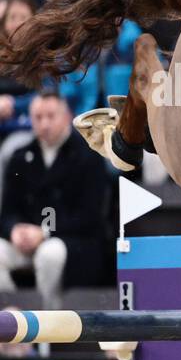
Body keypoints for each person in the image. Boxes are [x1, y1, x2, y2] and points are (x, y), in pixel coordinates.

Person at [0, 91, 113, 305]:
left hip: (74, 244)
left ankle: (47, 329)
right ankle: (13, 319)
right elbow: (7, 212)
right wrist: (15, 230)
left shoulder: (89, 157)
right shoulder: (20, 158)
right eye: (38, 117)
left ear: (67, 115)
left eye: (50, 116)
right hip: (27, 244)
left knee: (49, 253)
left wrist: (44, 233)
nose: (44, 124)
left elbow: (90, 216)